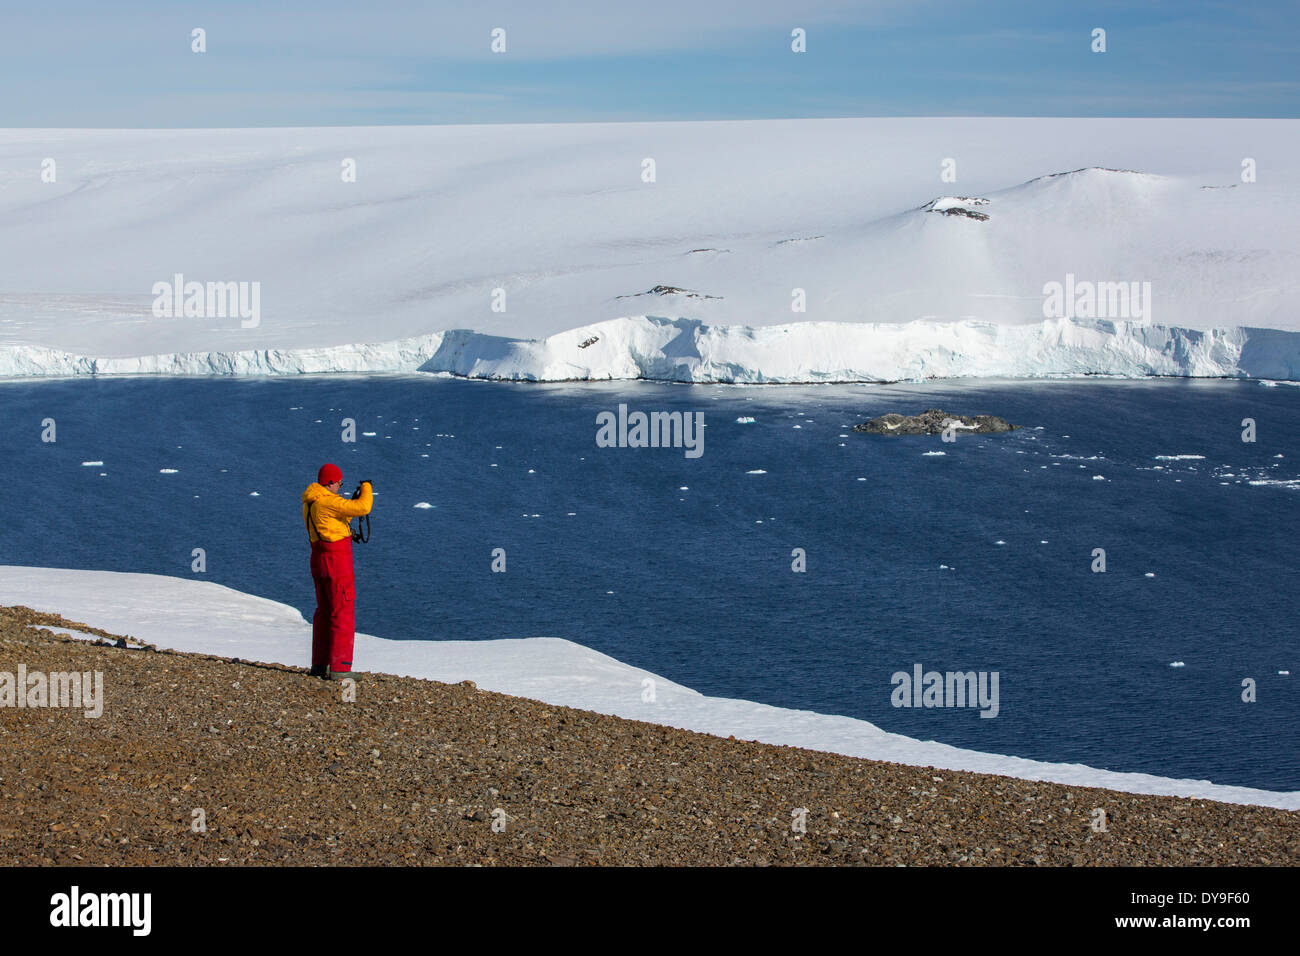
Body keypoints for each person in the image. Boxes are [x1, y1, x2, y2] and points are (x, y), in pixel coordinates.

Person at [302, 464, 373, 680]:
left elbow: (335, 521)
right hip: (337, 562)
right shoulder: (328, 501)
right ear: (331, 482)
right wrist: (367, 487)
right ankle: (340, 668)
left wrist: (346, 510)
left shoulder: (311, 502)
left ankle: (319, 664)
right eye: (339, 483)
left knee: (323, 611)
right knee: (342, 610)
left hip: (318, 559)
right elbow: (363, 508)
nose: (340, 488)